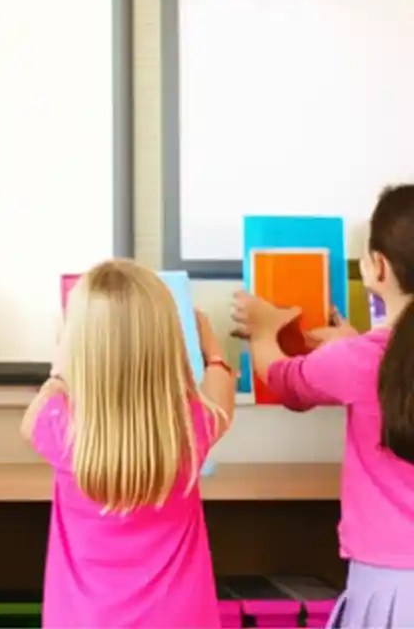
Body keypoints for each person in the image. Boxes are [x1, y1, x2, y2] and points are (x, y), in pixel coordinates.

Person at [232, 184, 414, 628]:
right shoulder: (363, 357)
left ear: (378, 267)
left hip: (391, 587)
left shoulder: (358, 360)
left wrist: (262, 331)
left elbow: (284, 380)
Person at [22, 259, 234, 628]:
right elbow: (221, 392)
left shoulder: (60, 426)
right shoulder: (188, 427)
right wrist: (211, 348)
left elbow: (30, 419)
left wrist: (59, 371)